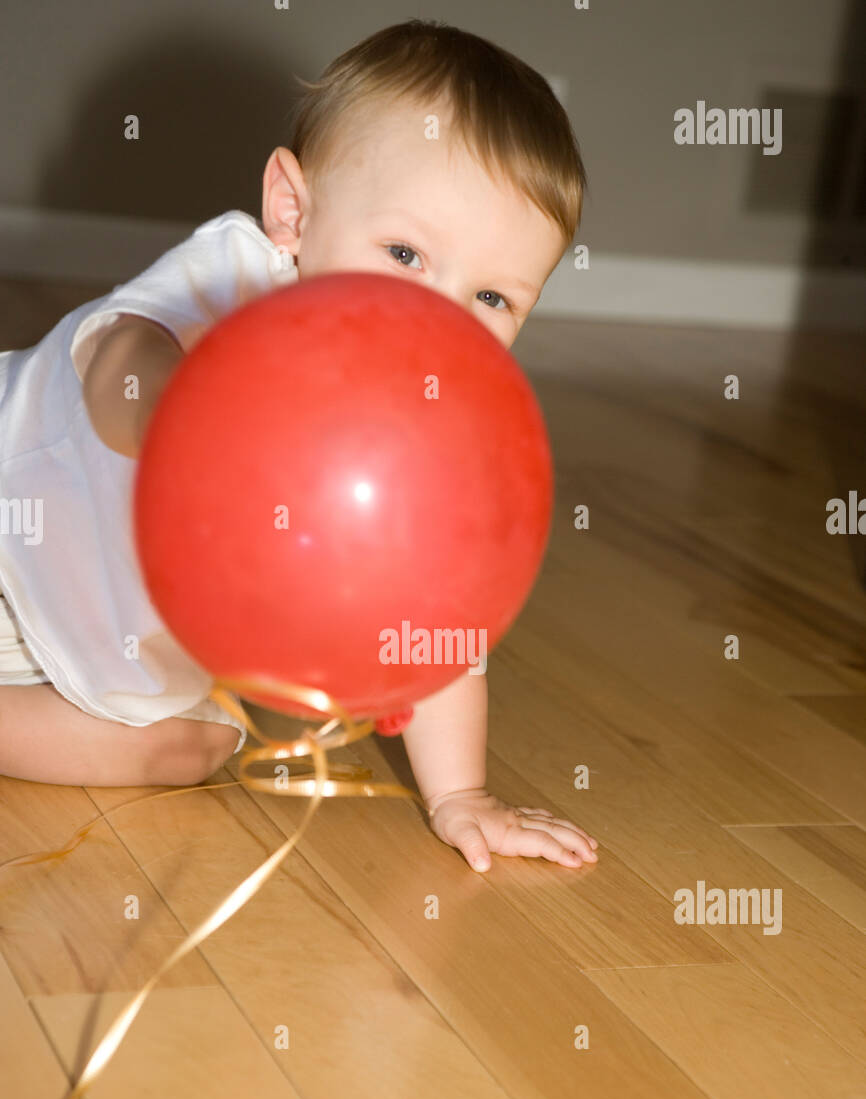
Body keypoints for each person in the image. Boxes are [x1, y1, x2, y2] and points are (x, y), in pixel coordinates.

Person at [0, 19, 597, 872]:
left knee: (194, 747)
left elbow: (435, 625)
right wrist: (190, 419)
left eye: (493, 298)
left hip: (86, 627)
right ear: (293, 211)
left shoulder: (441, 429)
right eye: (404, 253)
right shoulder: (236, 279)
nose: (439, 318)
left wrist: (462, 795)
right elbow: (117, 354)